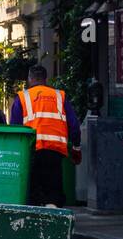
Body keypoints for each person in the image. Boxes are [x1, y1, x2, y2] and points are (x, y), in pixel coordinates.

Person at [9, 64, 80, 207]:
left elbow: (15, 130)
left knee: (33, 191)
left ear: (29, 79)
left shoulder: (23, 98)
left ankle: (35, 220)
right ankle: (53, 214)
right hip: (55, 151)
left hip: (31, 151)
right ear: (46, 79)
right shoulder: (60, 96)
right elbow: (74, 125)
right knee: (53, 190)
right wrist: (76, 148)